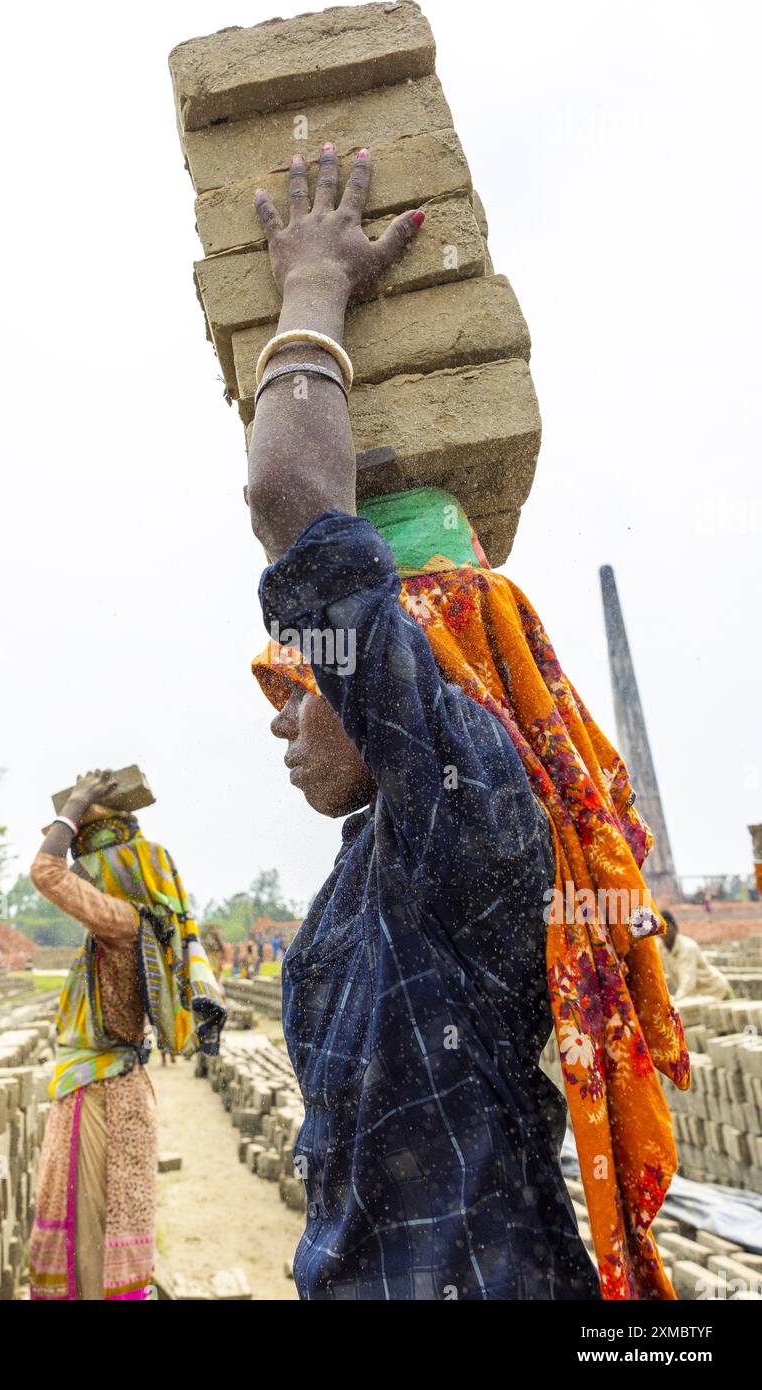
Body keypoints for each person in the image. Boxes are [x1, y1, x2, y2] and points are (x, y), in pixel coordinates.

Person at [245, 146, 690, 1301]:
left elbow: (291, 499)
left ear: (403, 659)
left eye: (301, 681)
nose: (284, 721)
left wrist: (309, 288)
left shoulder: (472, 811)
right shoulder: (382, 855)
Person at [28, 769, 225, 1300]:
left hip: (104, 1094)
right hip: (109, 1086)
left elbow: (46, 872)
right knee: (90, 1227)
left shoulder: (122, 922)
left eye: (90, 866)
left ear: (119, 871)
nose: (82, 876)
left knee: (90, 1235)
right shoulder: (123, 929)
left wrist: (74, 806)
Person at [660, 910, 731, 1001]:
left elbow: (688, 981)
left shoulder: (687, 948)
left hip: (716, 990)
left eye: (667, 926)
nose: (664, 931)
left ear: (675, 927)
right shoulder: (661, 947)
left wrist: (675, 1001)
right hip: (697, 994)